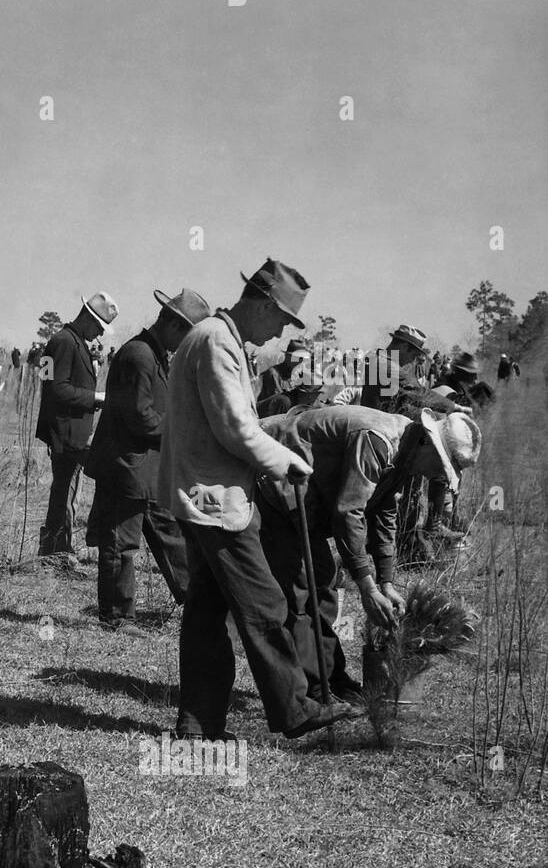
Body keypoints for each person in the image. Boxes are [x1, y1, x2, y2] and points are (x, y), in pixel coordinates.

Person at [158, 257, 353, 742]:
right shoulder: (216, 341)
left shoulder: (215, 338)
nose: (282, 332)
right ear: (263, 304)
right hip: (214, 500)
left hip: (203, 493)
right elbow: (236, 429)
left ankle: (198, 723)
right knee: (265, 603)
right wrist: (287, 460)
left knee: (206, 612)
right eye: (283, 319)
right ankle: (295, 710)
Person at [256, 405, 481, 706]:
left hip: (302, 493)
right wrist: (366, 586)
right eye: (440, 465)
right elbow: (349, 513)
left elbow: (384, 510)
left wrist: (386, 582)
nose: (436, 475)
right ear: (428, 441)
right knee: (305, 584)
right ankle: (313, 689)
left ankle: (332, 679)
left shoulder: (406, 450)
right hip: (272, 479)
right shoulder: (378, 440)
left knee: (321, 585)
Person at [84, 288, 208, 627]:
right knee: (120, 546)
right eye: (187, 337)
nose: (185, 346)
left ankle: (202, 609)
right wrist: (182, 433)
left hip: (149, 470)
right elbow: (139, 416)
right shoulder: (139, 355)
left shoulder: (153, 354)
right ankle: (117, 618)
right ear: (173, 325)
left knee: (172, 539)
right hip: (125, 468)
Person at [34, 292, 118, 555]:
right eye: (99, 327)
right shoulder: (63, 342)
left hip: (73, 432)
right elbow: (55, 389)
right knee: (64, 494)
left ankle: (59, 550)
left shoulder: (74, 341)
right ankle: (56, 553)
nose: (100, 335)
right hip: (65, 432)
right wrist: (97, 398)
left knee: (67, 493)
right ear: (88, 318)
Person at [361, 324, 431, 412]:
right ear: (404, 347)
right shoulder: (387, 365)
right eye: (414, 355)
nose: (413, 360)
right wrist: (453, 406)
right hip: (377, 422)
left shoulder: (378, 357)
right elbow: (420, 393)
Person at [256, 337, 320, 416]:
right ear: (287, 357)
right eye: (298, 358)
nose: (301, 362)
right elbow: (277, 402)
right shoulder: (273, 373)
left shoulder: (297, 374)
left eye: (303, 359)